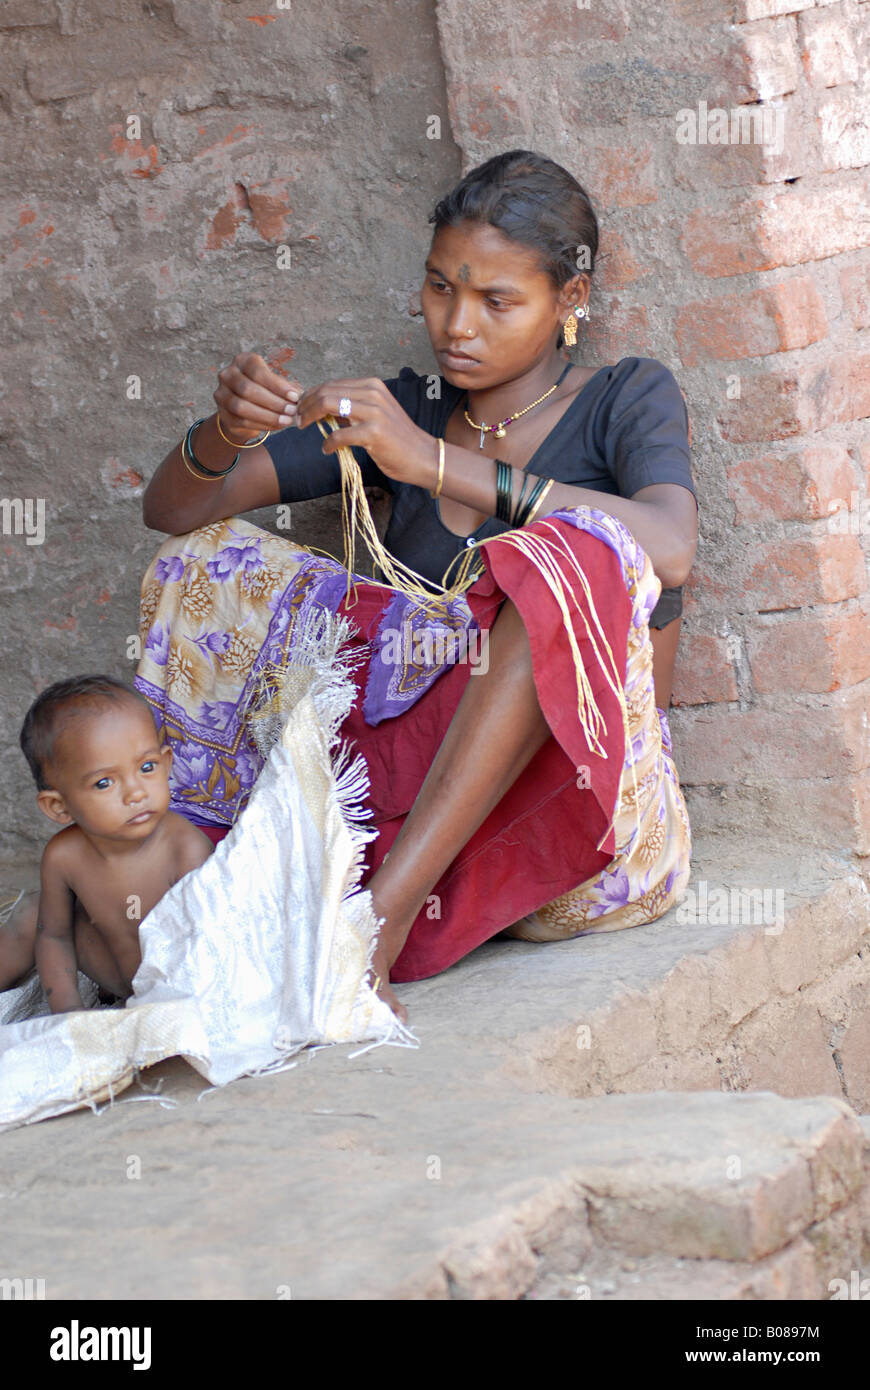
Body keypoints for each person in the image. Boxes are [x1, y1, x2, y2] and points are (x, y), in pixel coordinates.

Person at [139, 148, 698, 1024]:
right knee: (205, 563)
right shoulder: (404, 408)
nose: (457, 324)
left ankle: (376, 934)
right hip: (414, 822)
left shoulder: (625, 399)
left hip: (586, 851)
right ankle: (239, 865)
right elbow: (176, 516)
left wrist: (433, 465)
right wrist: (221, 432)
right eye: (441, 288)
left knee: (571, 556)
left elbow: (670, 547)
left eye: (496, 300)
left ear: (572, 302)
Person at [0, 675, 214, 1011]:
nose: (136, 792)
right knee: (34, 916)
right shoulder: (63, 855)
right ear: (59, 806)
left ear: (166, 763)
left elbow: (216, 947)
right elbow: (54, 936)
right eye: (104, 783)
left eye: (147, 767)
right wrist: (69, 1018)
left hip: (181, 989)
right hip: (112, 971)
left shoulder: (185, 848)